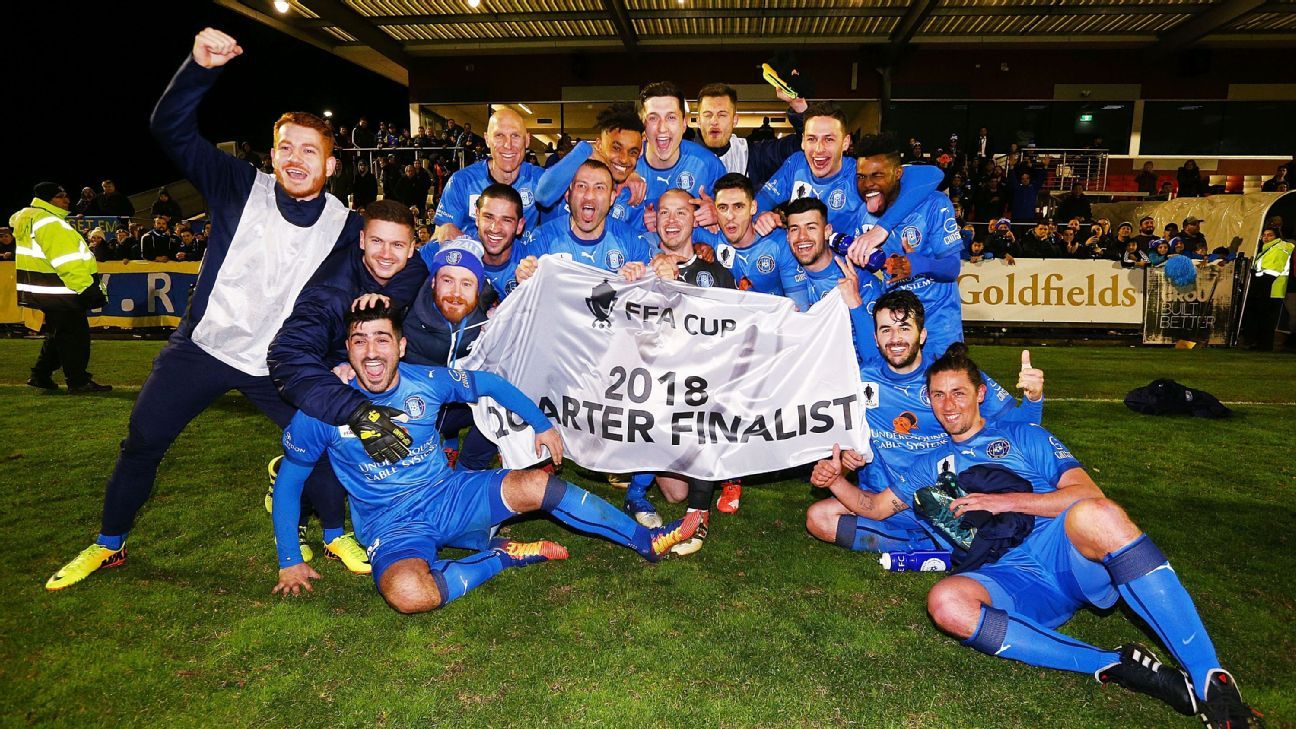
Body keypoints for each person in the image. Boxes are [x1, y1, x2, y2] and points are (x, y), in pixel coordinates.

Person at [45, 28, 394, 591]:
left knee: (331, 439)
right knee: (142, 442)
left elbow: (395, 268)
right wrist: (198, 69)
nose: (296, 158)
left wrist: (348, 350)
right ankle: (109, 545)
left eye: (311, 150)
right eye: (286, 147)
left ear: (330, 165)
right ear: (272, 151)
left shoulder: (346, 228)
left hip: (280, 364)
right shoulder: (237, 184)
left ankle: (333, 535)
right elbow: (169, 129)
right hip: (202, 349)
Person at [811, 345, 1261, 729]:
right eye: (938, 395)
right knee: (946, 602)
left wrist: (1004, 501)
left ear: (981, 394)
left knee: (1098, 514)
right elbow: (872, 508)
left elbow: (1086, 492)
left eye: (959, 393)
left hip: (1065, 556)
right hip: (1011, 579)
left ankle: (1210, 678)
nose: (948, 405)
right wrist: (835, 480)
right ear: (928, 400)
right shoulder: (929, 466)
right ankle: (1112, 664)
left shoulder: (1026, 435)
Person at [269, 303, 702, 611]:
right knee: (407, 593)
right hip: (389, 524)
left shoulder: (429, 381)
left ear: (400, 346)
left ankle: (646, 540)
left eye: (382, 339)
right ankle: (501, 556)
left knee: (535, 483)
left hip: (448, 494)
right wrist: (289, 560)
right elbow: (290, 481)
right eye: (359, 341)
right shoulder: (323, 408)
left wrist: (542, 425)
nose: (370, 352)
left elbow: (490, 384)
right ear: (347, 349)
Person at [805, 291, 1042, 554]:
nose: (895, 339)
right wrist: (848, 455)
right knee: (819, 518)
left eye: (904, 328)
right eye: (886, 330)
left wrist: (1033, 399)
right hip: (882, 499)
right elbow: (839, 432)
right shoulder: (859, 380)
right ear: (875, 338)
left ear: (922, 335)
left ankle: (931, 539)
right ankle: (928, 546)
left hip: (944, 503)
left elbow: (1021, 429)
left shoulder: (949, 378)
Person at [621, 188, 736, 553]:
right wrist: (635, 283)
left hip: (701, 385)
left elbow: (730, 331)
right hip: (654, 384)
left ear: (694, 219)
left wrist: (678, 283)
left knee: (707, 398)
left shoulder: (714, 271)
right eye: (665, 213)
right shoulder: (640, 266)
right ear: (655, 220)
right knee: (672, 490)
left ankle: (698, 515)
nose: (672, 221)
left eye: (681, 213)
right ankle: (636, 492)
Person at [848, 133, 964, 360]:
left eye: (877, 175)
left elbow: (952, 268)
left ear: (898, 173)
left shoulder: (933, 203)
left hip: (938, 321)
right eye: (861, 176)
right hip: (896, 323)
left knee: (944, 389)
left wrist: (918, 264)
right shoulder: (863, 215)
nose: (868, 184)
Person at [12, 181, 112, 394]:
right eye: (60, 196)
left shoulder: (31, 220)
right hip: (61, 289)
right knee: (76, 336)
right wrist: (87, 288)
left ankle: (40, 375)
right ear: (48, 199)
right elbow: (66, 261)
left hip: (45, 289)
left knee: (59, 333)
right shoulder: (50, 223)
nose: (67, 200)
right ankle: (78, 381)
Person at [516, 160, 654, 283]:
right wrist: (525, 275)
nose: (589, 196)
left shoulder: (631, 241)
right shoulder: (542, 239)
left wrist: (642, 276)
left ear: (612, 198)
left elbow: (658, 284)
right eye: (582, 186)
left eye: (599, 187)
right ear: (568, 194)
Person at [695, 172, 808, 310]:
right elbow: (670, 234)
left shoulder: (779, 244)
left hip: (772, 324)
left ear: (753, 207)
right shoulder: (711, 238)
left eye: (738, 207)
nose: (730, 216)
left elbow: (799, 308)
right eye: (723, 208)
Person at [434, 108, 543, 242]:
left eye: (515, 136)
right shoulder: (462, 181)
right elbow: (441, 234)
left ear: (527, 140)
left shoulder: (541, 180)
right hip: (472, 260)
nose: (508, 145)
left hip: (523, 261)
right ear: (487, 139)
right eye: (499, 136)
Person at [535, 102, 648, 230]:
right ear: (598, 145)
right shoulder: (568, 178)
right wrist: (584, 150)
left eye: (632, 152)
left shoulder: (632, 195)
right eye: (616, 148)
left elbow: (637, 242)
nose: (624, 159)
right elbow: (543, 195)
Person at [634, 81, 725, 231]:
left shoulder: (707, 164)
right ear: (643, 124)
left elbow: (738, 217)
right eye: (653, 118)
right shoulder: (627, 163)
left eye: (671, 117)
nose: (662, 128)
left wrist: (719, 215)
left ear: (684, 124)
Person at [695, 82, 807, 189]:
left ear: (735, 120)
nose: (714, 121)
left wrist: (799, 108)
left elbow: (802, 145)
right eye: (708, 115)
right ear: (698, 120)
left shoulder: (751, 155)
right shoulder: (680, 155)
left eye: (722, 115)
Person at [1241, 226, 1293, 351]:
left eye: (1270, 235)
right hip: (1266, 287)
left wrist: (1255, 278)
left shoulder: (1280, 248)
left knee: (1267, 320)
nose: (1266, 237)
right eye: (1264, 235)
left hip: (1272, 288)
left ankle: (1264, 345)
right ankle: (1259, 344)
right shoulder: (1267, 249)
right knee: (1262, 318)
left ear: (1277, 236)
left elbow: (1272, 270)